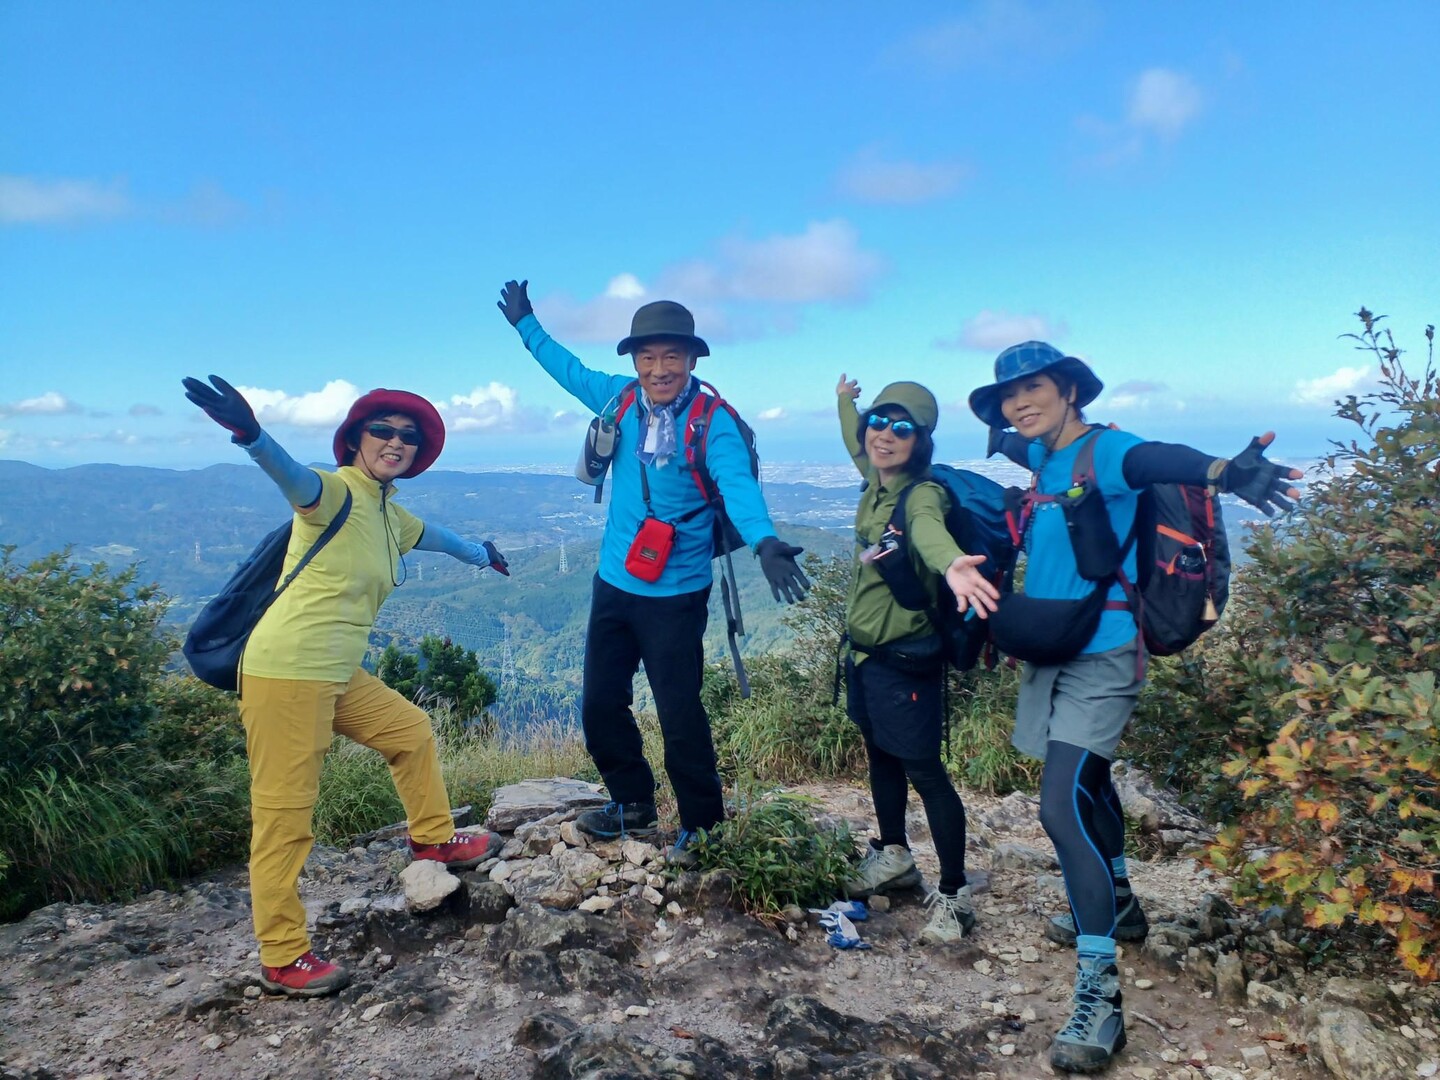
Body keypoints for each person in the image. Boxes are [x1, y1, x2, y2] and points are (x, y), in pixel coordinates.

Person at [967, 341, 1302, 1073]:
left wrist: (1225, 470)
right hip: (1054, 649)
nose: (1021, 405)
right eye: (1008, 398)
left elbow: (1158, 459)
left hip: (1106, 654)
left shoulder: (1106, 451)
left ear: (1071, 392)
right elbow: (1021, 453)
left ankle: (1101, 999)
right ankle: (1119, 899)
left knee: (1059, 806)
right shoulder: (1043, 457)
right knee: (1089, 782)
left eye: (1035, 391)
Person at [182, 375, 511, 998]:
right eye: (382, 431)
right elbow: (290, 476)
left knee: (411, 731)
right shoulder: (333, 493)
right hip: (285, 673)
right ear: (356, 439)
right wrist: (251, 434)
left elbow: (434, 537)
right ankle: (282, 956)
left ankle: (434, 840)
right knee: (285, 816)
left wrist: (480, 553)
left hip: (335, 673)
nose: (395, 442)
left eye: (407, 437)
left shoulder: (390, 511)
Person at [496, 280, 810, 859]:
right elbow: (565, 369)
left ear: (691, 359)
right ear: (635, 361)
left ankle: (703, 823)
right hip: (614, 582)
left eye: (670, 356)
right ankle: (632, 802)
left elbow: (737, 484)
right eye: (647, 357)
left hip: (677, 593)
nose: (659, 368)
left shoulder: (710, 421)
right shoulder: (618, 400)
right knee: (599, 702)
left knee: (679, 709)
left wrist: (764, 540)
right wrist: (527, 326)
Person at [834, 375, 1000, 944]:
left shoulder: (920, 495)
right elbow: (858, 443)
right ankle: (896, 858)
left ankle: (954, 895)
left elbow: (928, 531)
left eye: (902, 428)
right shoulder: (875, 478)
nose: (885, 435)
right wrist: (845, 403)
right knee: (880, 753)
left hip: (906, 658)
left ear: (921, 440)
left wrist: (953, 563)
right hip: (866, 656)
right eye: (879, 421)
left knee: (925, 772)